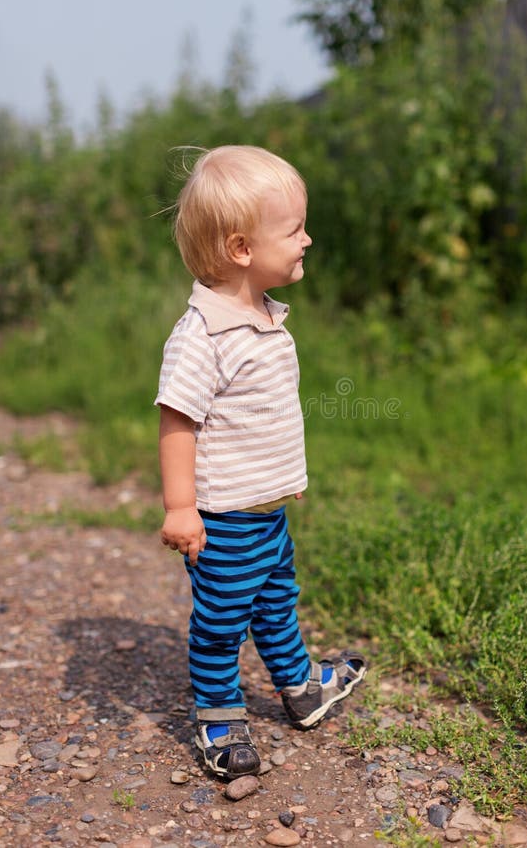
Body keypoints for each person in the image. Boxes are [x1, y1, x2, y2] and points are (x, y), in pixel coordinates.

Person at [155, 145, 367, 779]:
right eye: (294, 229)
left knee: (277, 603)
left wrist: (281, 479)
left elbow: (257, 417)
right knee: (221, 622)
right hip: (224, 521)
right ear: (242, 249)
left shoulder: (264, 319)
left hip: (266, 512)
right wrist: (180, 506)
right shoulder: (203, 335)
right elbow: (177, 421)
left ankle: (301, 688)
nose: (308, 238)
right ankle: (219, 716)